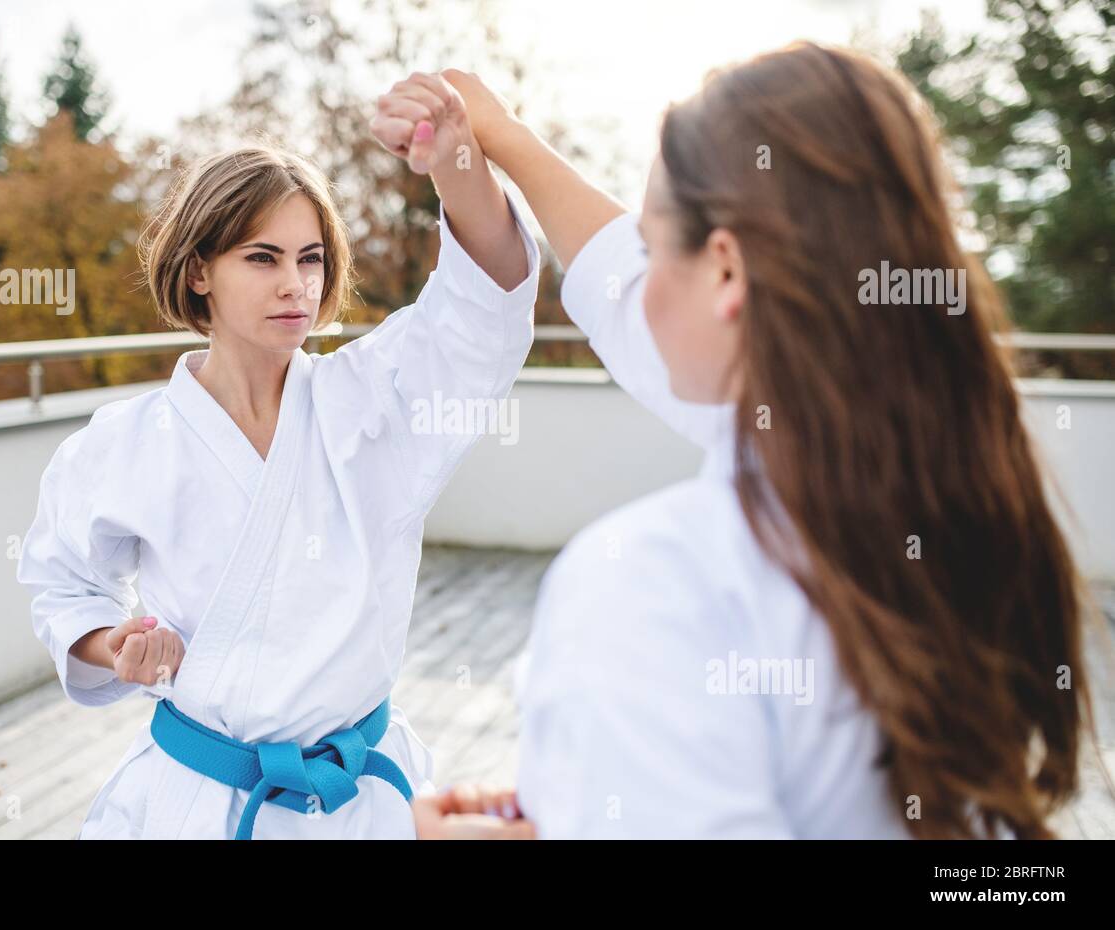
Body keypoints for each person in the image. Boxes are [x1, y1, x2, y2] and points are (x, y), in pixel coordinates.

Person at [413, 45, 1097, 839]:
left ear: (728, 274)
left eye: (657, 245)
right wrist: (503, 137)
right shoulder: (966, 506)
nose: (640, 281)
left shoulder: (654, 588)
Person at [15, 72, 541, 839]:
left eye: (311, 258)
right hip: (198, 801)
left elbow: (482, 313)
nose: (296, 285)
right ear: (199, 271)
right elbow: (63, 585)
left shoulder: (374, 405)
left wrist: (456, 162)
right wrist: (115, 644)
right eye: (262, 258)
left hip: (357, 799)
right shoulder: (121, 446)